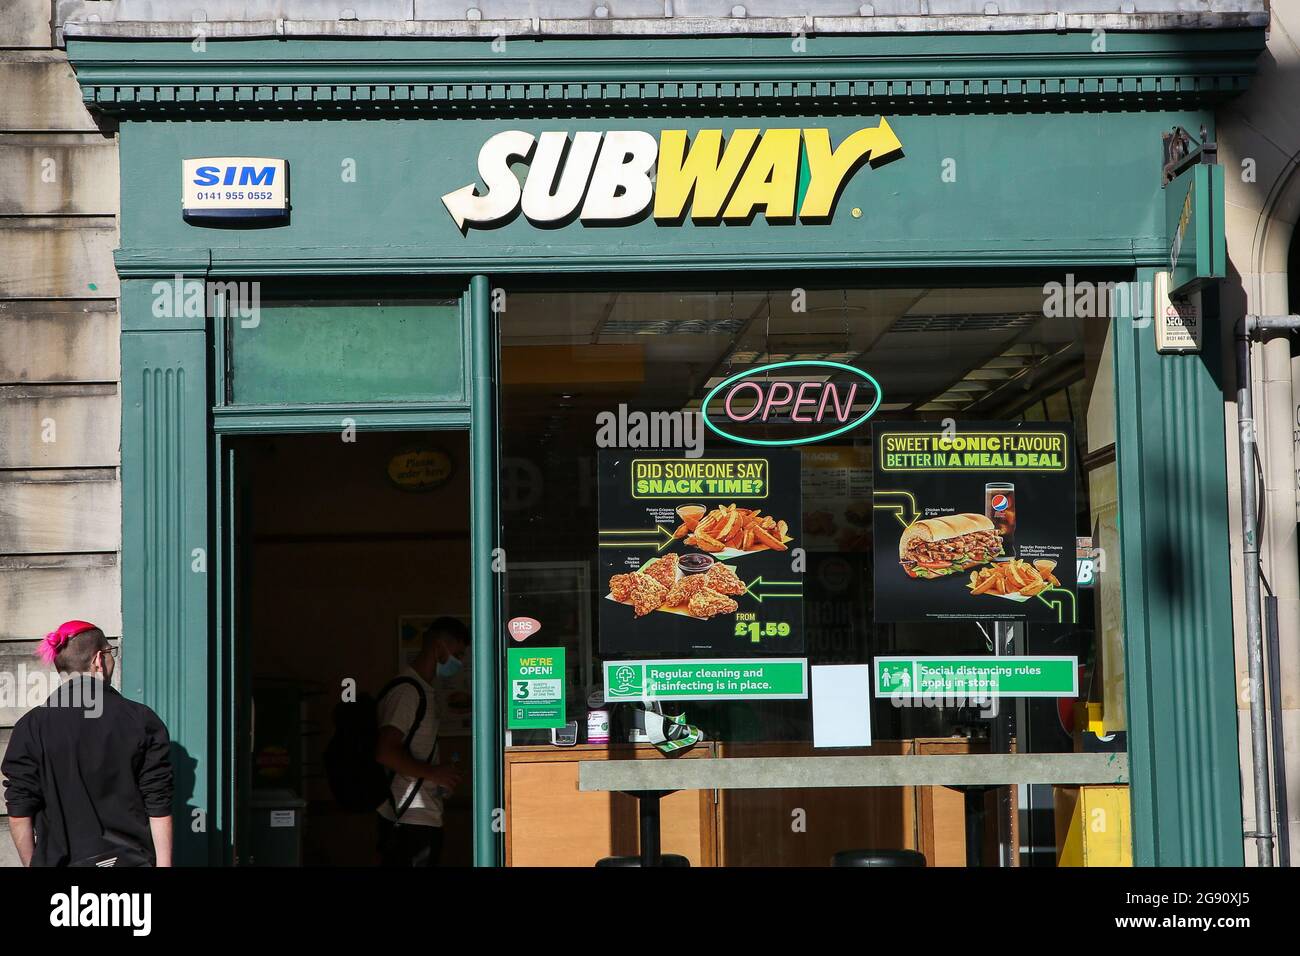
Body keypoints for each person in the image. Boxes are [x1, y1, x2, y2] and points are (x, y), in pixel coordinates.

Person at [1, 621, 174, 867]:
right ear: (98, 660)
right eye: (110, 652)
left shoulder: (31, 727)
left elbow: (19, 812)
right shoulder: (140, 720)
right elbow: (158, 803)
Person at [374, 617, 467, 866]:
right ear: (438, 647)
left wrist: (438, 776)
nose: (461, 662)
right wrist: (434, 774)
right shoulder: (407, 692)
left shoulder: (424, 691)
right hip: (407, 818)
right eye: (458, 654)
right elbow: (385, 751)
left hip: (420, 816)